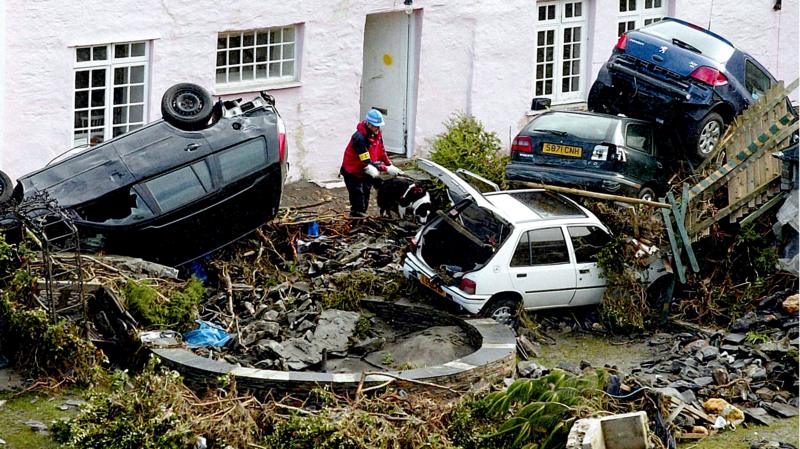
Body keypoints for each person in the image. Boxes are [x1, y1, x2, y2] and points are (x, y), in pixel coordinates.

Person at [340, 109, 404, 217]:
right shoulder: (359, 138)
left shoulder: (377, 133)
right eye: (375, 126)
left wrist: (389, 164)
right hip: (353, 172)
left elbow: (381, 150)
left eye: (379, 126)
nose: (377, 128)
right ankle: (355, 221)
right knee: (358, 202)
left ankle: (361, 219)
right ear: (368, 124)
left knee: (365, 196)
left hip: (367, 171)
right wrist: (386, 168)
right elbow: (366, 161)